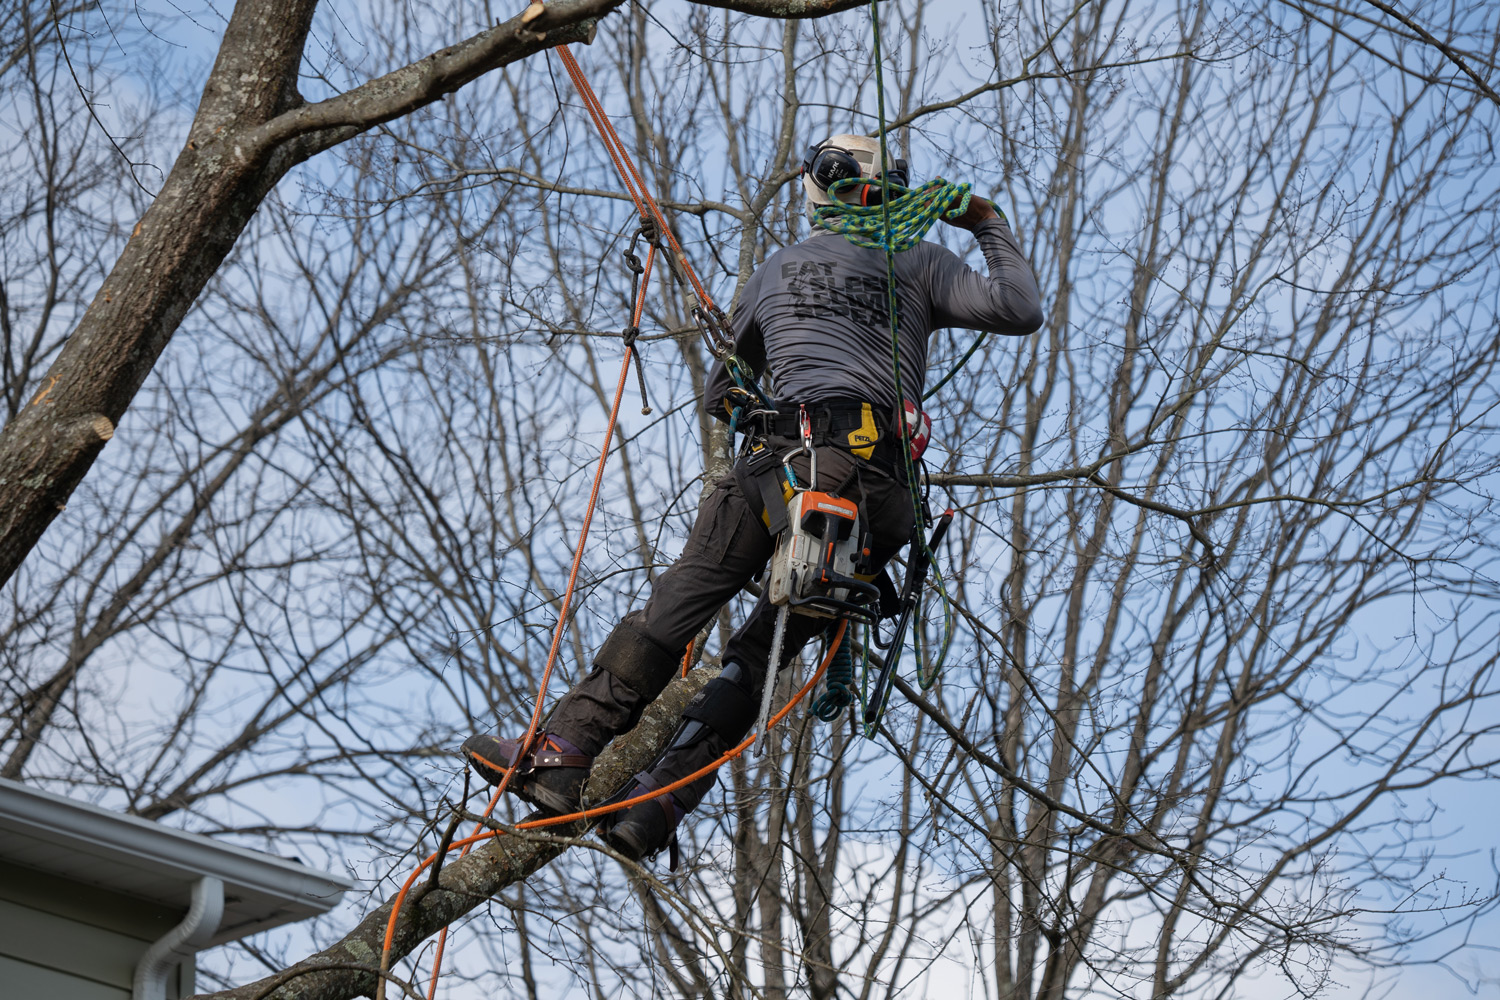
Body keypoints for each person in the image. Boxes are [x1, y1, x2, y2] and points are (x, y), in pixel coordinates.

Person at [462, 133, 1044, 863]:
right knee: (760, 654)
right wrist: (985, 220)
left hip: (783, 467)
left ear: (820, 188)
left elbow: (721, 395)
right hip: (879, 496)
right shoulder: (924, 262)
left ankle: (565, 750)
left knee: (678, 606)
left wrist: (757, 383)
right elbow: (1020, 308)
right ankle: (659, 804)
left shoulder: (778, 269)